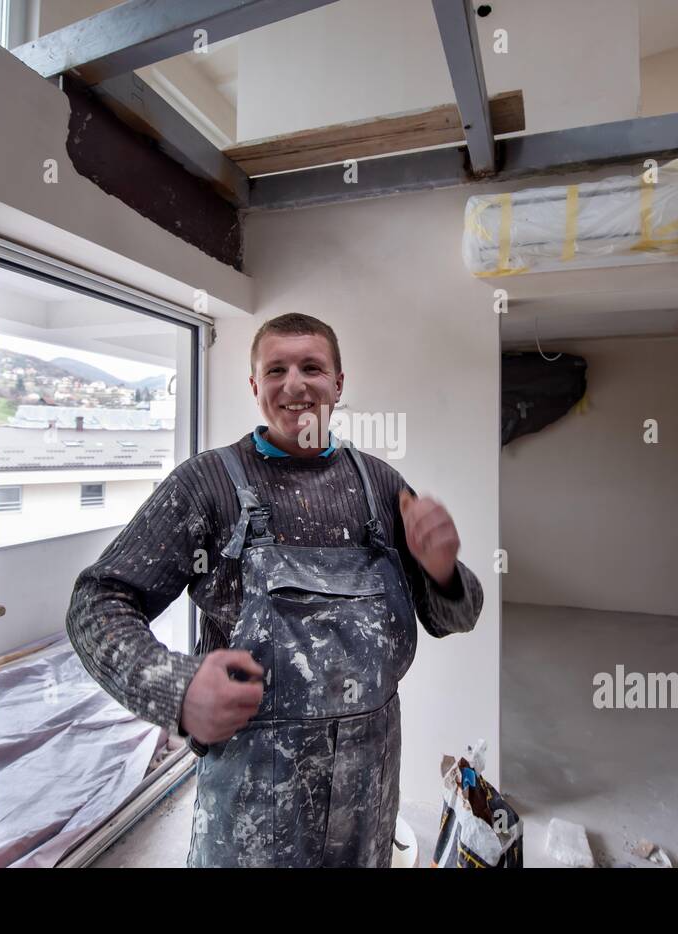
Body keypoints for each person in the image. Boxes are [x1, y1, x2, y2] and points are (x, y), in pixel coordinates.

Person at [66, 312, 483, 866]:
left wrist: (443, 571)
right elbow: (97, 600)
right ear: (255, 386)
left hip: (370, 793)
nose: (295, 384)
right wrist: (176, 689)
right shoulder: (207, 485)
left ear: (338, 383)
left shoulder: (380, 485)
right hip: (252, 805)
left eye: (312, 367)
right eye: (276, 369)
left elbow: (456, 615)